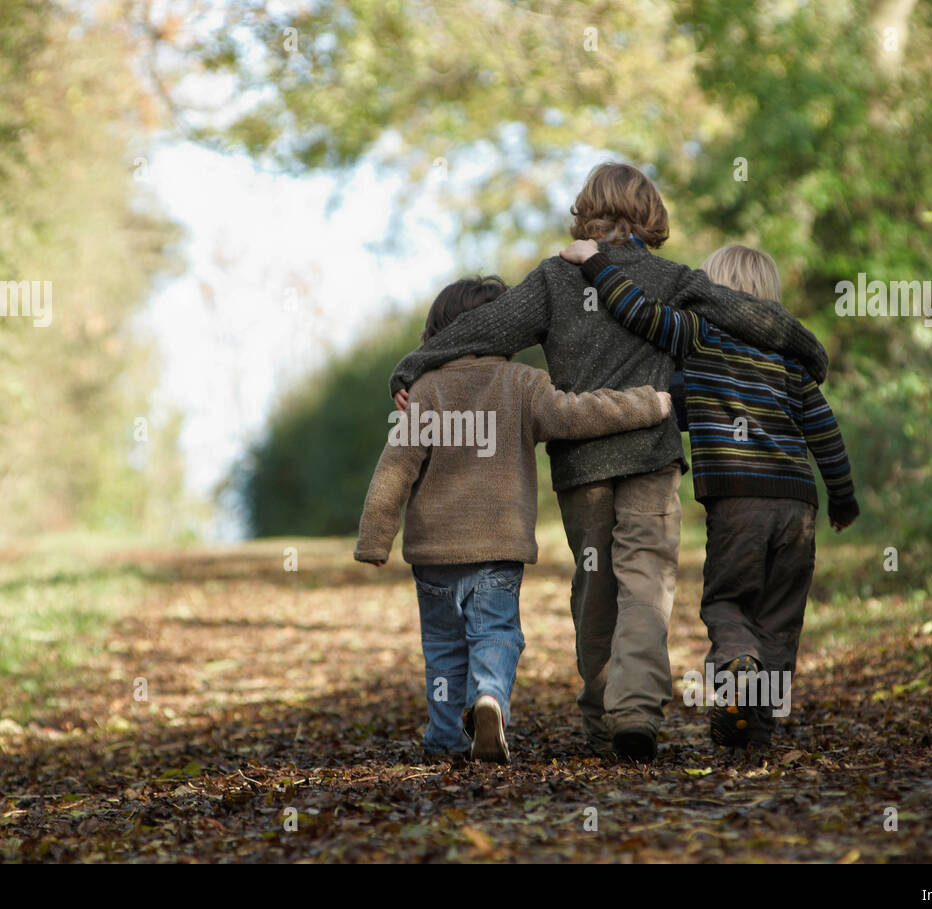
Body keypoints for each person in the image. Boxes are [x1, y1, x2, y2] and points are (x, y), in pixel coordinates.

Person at [388, 163, 828, 761]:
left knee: (596, 592)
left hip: (582, 469)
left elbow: (483, 328)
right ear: (649, 213)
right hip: (650, 460)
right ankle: (635, 713)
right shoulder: (671, 278)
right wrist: (810, 352)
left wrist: (412, 366)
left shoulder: (552, 281)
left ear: (586, 210)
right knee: (647, 587)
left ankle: (601, 721)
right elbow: (755, 317)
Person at [355, 275, 672, 763]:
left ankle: (444, 737)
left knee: (442, 648)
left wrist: (375, 539)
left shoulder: (424, 391)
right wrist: (647, 403)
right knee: (496, 633)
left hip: (433, 554)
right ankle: (489, 700)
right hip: (497, 548)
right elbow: (576, 415)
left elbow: (395, 467)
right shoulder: (522, 383)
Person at [560, 238, 859, 748]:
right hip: (798, 507)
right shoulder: (790, 359)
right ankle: (755, 727)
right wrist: (843, 498)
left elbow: (641, 313)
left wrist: (596, 263)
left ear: (711, 291)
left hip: (738, 501)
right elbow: (824, 431)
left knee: (727, 603)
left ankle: (737, 669)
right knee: (781, 619)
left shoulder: (700, 336)